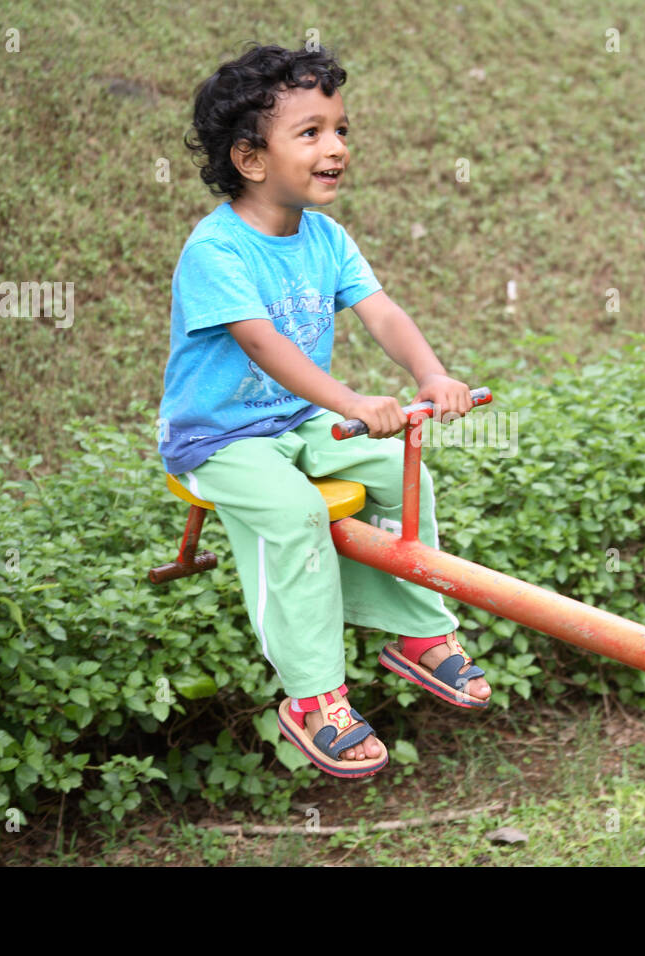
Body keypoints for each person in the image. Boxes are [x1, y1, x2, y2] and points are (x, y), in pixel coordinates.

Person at [158, 42, 489, 779]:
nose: (336, 147)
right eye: (310, 133)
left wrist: (431, 375)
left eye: (341, 129)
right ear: (250, 158)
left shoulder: (327, 238)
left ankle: (417, 634)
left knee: (395, 471)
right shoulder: (218, 251)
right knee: (296, 514)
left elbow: (382, 313)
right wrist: (350, 400)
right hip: (219, 438)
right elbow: (265, 345)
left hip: (294, 422)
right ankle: (313, 698)